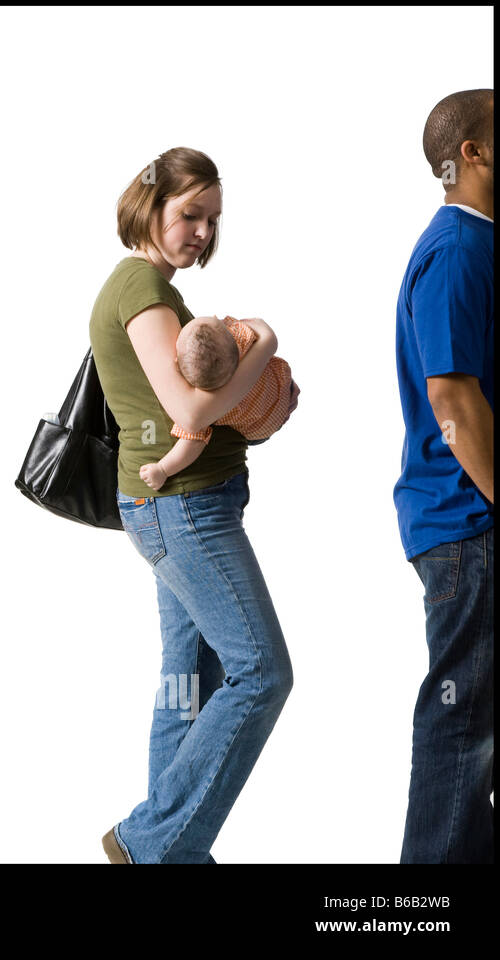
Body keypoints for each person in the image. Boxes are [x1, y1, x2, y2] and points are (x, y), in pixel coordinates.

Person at [88, 147, 297, 863]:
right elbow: (186, 403)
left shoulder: (155, 287)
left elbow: (189, 407)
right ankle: (150, 842)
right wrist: (263, 345)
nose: (202, 232)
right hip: (183, 510)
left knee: (189, 681)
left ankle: (167, 853)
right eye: (189, 214)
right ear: (150, 206)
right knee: (263, 672)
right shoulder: (140, 285)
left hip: (180, 507)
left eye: (212, 219)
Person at [393, 89, 494, 863]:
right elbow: (450, 395)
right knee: (461, 722)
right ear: (474, 154)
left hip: (475, 521)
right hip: (470, 525)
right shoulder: (457, 249)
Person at [140, 314, 294, 491]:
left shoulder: (203, 404)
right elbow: (258, 328)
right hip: (283, 386)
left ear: (177, 365)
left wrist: (162, 469)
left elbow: (191, 444)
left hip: (262, 428)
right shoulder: (240, 339)